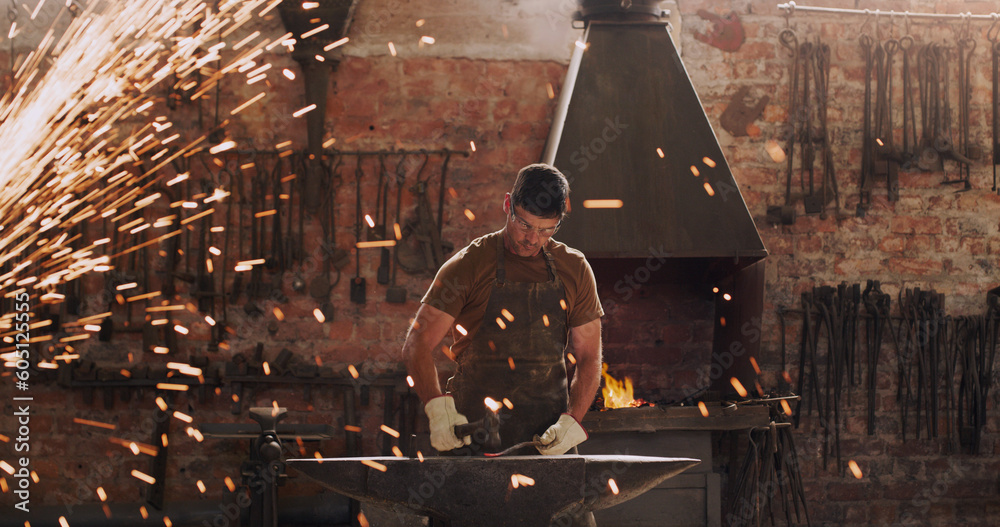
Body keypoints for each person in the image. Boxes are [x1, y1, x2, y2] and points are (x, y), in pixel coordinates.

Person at [402, 163, 603, 461]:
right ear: (508, 204)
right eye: (524, 225)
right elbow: (416, 344)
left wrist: (573, 419)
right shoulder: (468, 265)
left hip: (548, 442)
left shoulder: (575, 268)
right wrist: (437, 408)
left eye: (546, 230)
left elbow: (589, 356)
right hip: (473, 438)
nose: (532, 239)